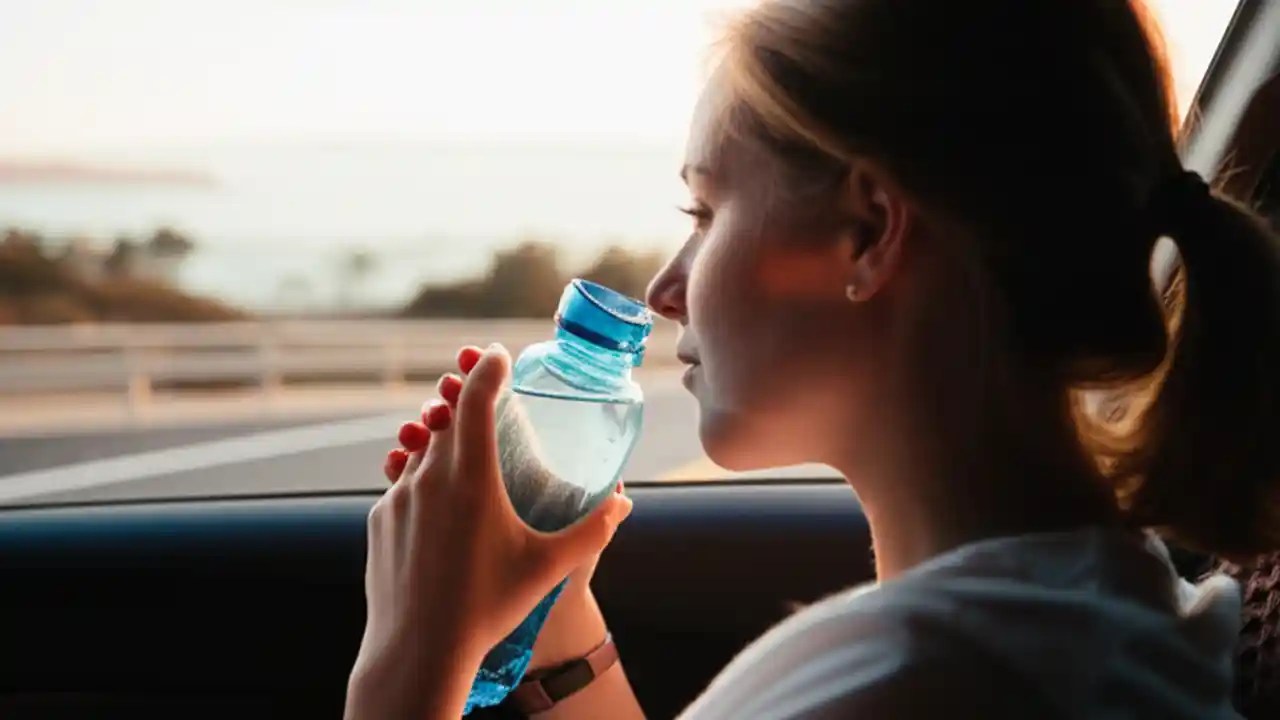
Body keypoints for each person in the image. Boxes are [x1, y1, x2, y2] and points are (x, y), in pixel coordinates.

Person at [344, 0, 1280, 717]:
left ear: (870, 231)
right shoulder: (1106, 617)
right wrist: (554, 630)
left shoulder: (913, 676)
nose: (666, 290)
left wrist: (408, 660)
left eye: (705, 215)